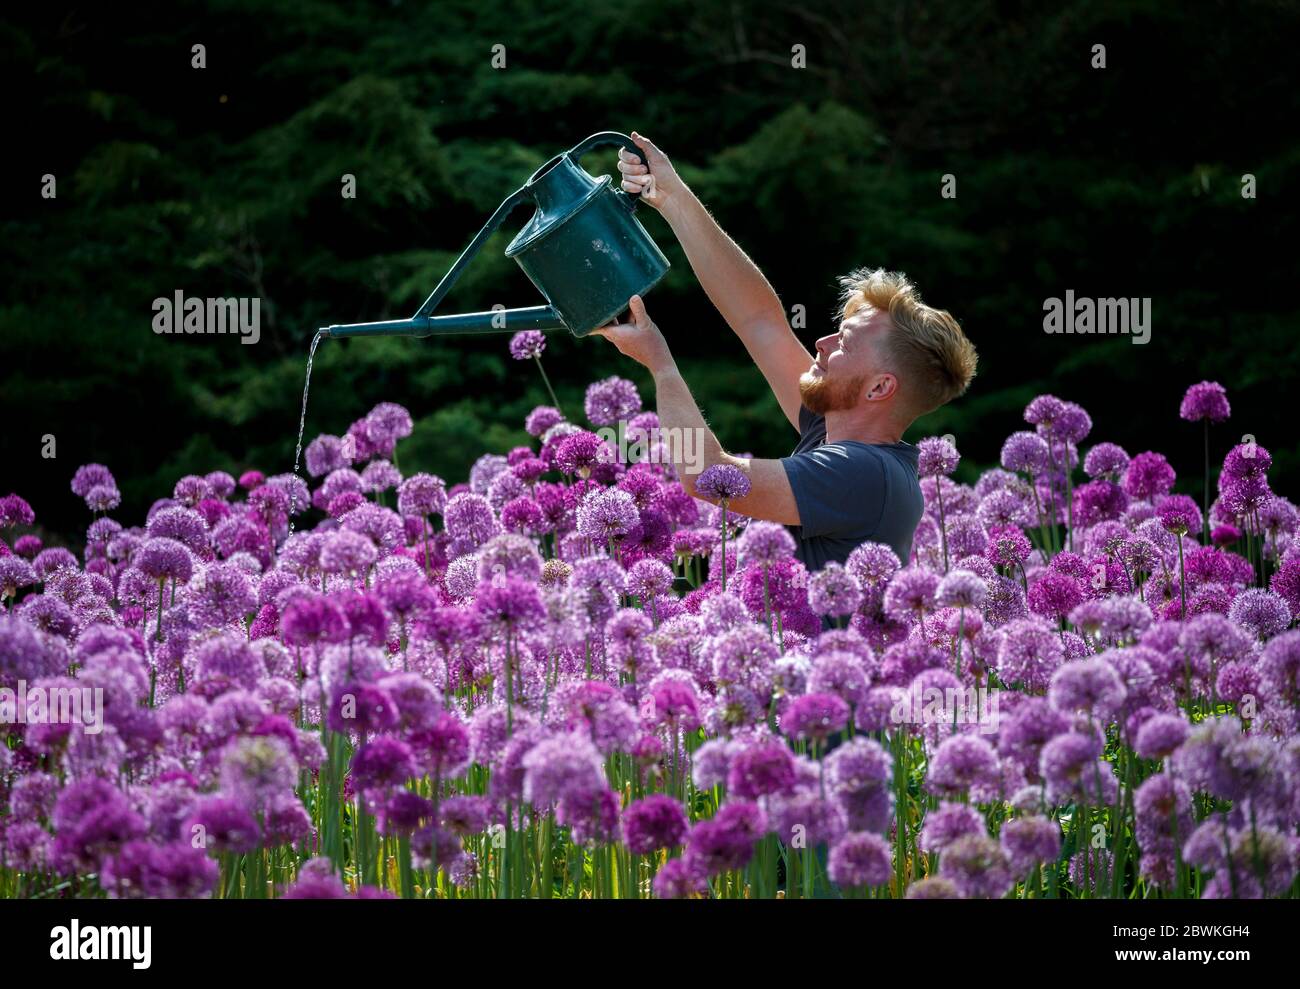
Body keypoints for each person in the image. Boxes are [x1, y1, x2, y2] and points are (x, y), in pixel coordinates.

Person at [595, 132, 979, 575]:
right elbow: (759, 320)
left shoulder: (864, 473)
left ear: (878, 387)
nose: (822, 342)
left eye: (845, 343)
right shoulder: (834, 430)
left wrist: (660, 365)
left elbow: (707, 475)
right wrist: (672, 196)